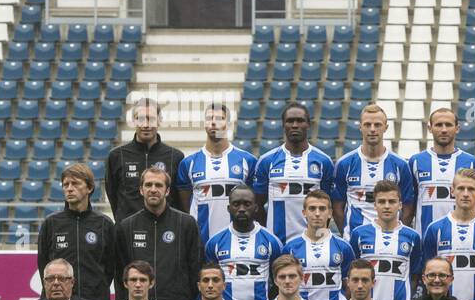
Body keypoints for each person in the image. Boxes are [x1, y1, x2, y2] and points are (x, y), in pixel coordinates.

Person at [114, 167, 203, 300]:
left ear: (167, 191)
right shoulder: (126, 227)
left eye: (159, 185)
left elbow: (196, 269)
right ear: (141, 190)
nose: (153, 189)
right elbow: (120, 274)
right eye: (148, 185)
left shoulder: (186, 223)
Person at [422, 167, 475, 300]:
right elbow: (427, 273)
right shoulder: (435, 229)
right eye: (461, 188)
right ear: (452, 191)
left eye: (471, 189)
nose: (466, 194)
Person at [253, 102, 336, 242]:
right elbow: (258, 205)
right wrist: (268, 236)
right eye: (290, 121)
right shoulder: (267, 161)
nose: (295, 125)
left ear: (308, 124)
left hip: (313, 242)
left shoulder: (324, 161)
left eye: (300, 121)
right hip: (278, 243)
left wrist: (318, 236)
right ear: (283, 125)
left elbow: (327, 206)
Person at [38, 162, 116, 300]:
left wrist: (96, 287)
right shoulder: (51, 223)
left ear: (90, 188)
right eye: (65, 184)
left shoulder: (104, 224)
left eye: (75, 183)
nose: (69, 188)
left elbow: (111, 268)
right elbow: (43, 264)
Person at [175, 103, 257, 244]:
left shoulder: (247, 160)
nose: (213, 122)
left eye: (220, 118)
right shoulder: (189, 163)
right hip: (201, 242)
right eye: (209, 118)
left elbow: (255, 202)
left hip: (236, 242)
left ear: (229, 123)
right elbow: (185, 207)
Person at [333, 102, 416, 237]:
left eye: (377, 125)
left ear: (386, 127)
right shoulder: (345, 163)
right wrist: (348, 234)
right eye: (367, 125)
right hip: (355, 240)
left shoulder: (400, 165)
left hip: (391, 239)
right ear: (360, 127)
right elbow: (337, 207)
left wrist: (398, 235)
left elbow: (408, 208)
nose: (372, 129)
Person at [204, 186, 285, 300]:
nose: (241, 209)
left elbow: (278, 282)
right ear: (229, 208)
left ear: (256, 207)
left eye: (247, 204)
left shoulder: (272, 242)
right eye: (236, 204)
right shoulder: (215, 242)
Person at [349, 179, 425, 300]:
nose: (387, 206)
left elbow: (414, 276)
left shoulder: (412, 237)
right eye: (382, 201)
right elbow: (352, 274)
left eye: (392, 201)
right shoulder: (359, 234)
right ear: (375, 205)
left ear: (400, 205)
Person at [106, 97, 184, 223]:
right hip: (127, 233)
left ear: (160, 121)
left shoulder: (175, 157)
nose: (146, 125)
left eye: (151, 119)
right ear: (133, 121)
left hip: (165, 232)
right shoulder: (116, 156)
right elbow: (113, 196)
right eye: (140, 119)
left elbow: (179, 200)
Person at [408, 107, 475, 234]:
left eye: (448, 125)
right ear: (430, 128)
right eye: (438, 125)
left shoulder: (471, 162)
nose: (443, 130)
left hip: (460, 239)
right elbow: (409, 205)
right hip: (425, 239)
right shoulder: (415, 161)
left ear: (457, 128)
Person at [283, 190, 354, 300]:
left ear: (330, 213)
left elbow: (350, 285)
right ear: (304, 213)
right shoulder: (290, 248)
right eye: (312, 209)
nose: (317, 213)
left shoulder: (343, 247)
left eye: (322, 209)